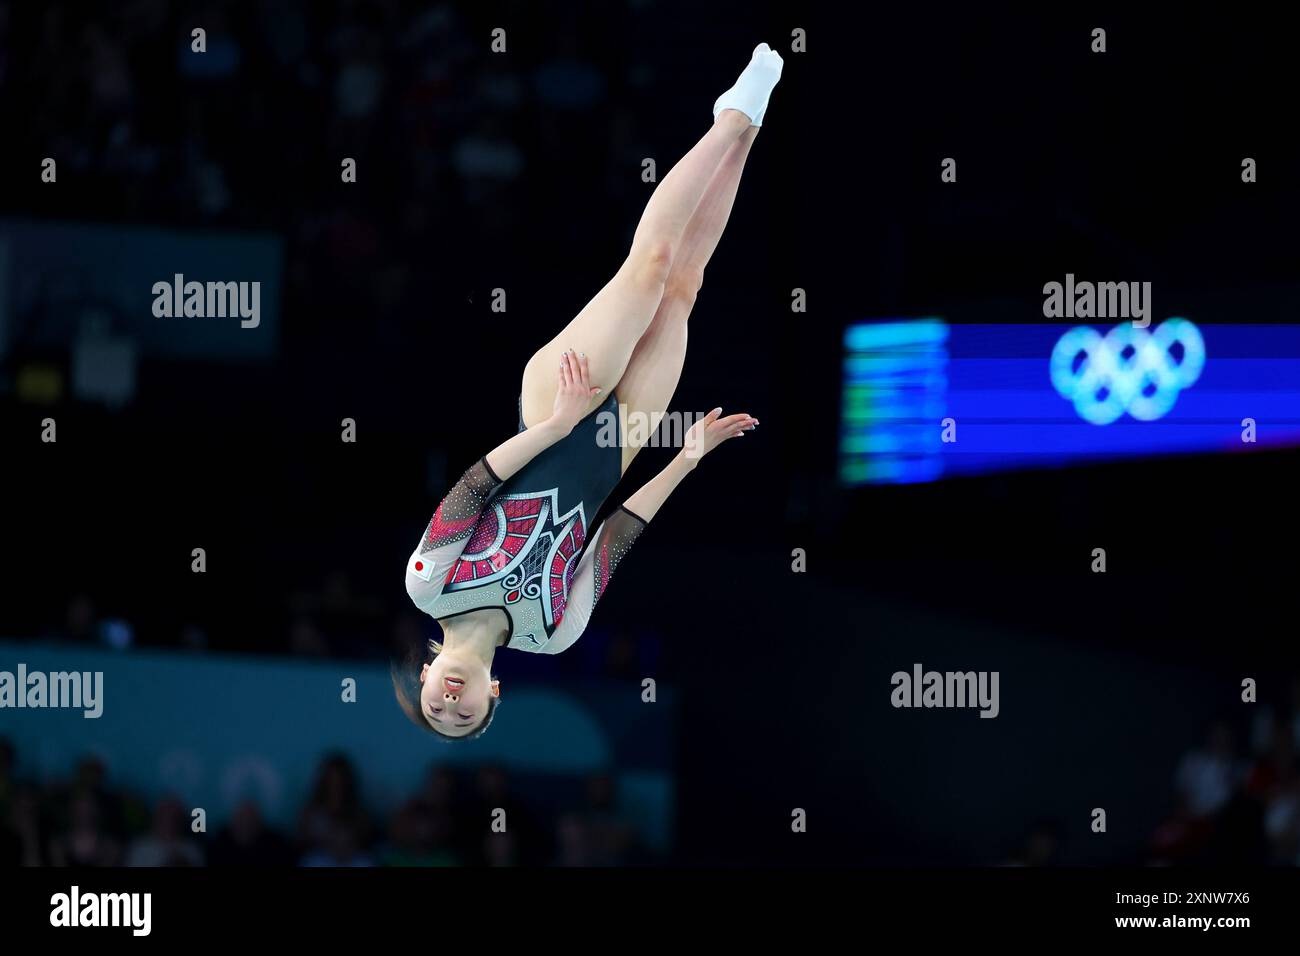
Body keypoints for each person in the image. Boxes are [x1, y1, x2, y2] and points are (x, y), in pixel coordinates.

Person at [395, 44, 784, 739]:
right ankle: (748, 126)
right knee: (684, 286)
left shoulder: (427, 585)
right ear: (495, 694)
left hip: (548, 409)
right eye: (465, 713)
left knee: (651, 267)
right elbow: (616, 537)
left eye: (436, 705)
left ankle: (728, 118)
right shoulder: (554, 635)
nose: (451, 699)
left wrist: (556, 424)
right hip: (617, 449)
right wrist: (686, 457)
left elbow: (471, 489)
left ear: (424, 678)